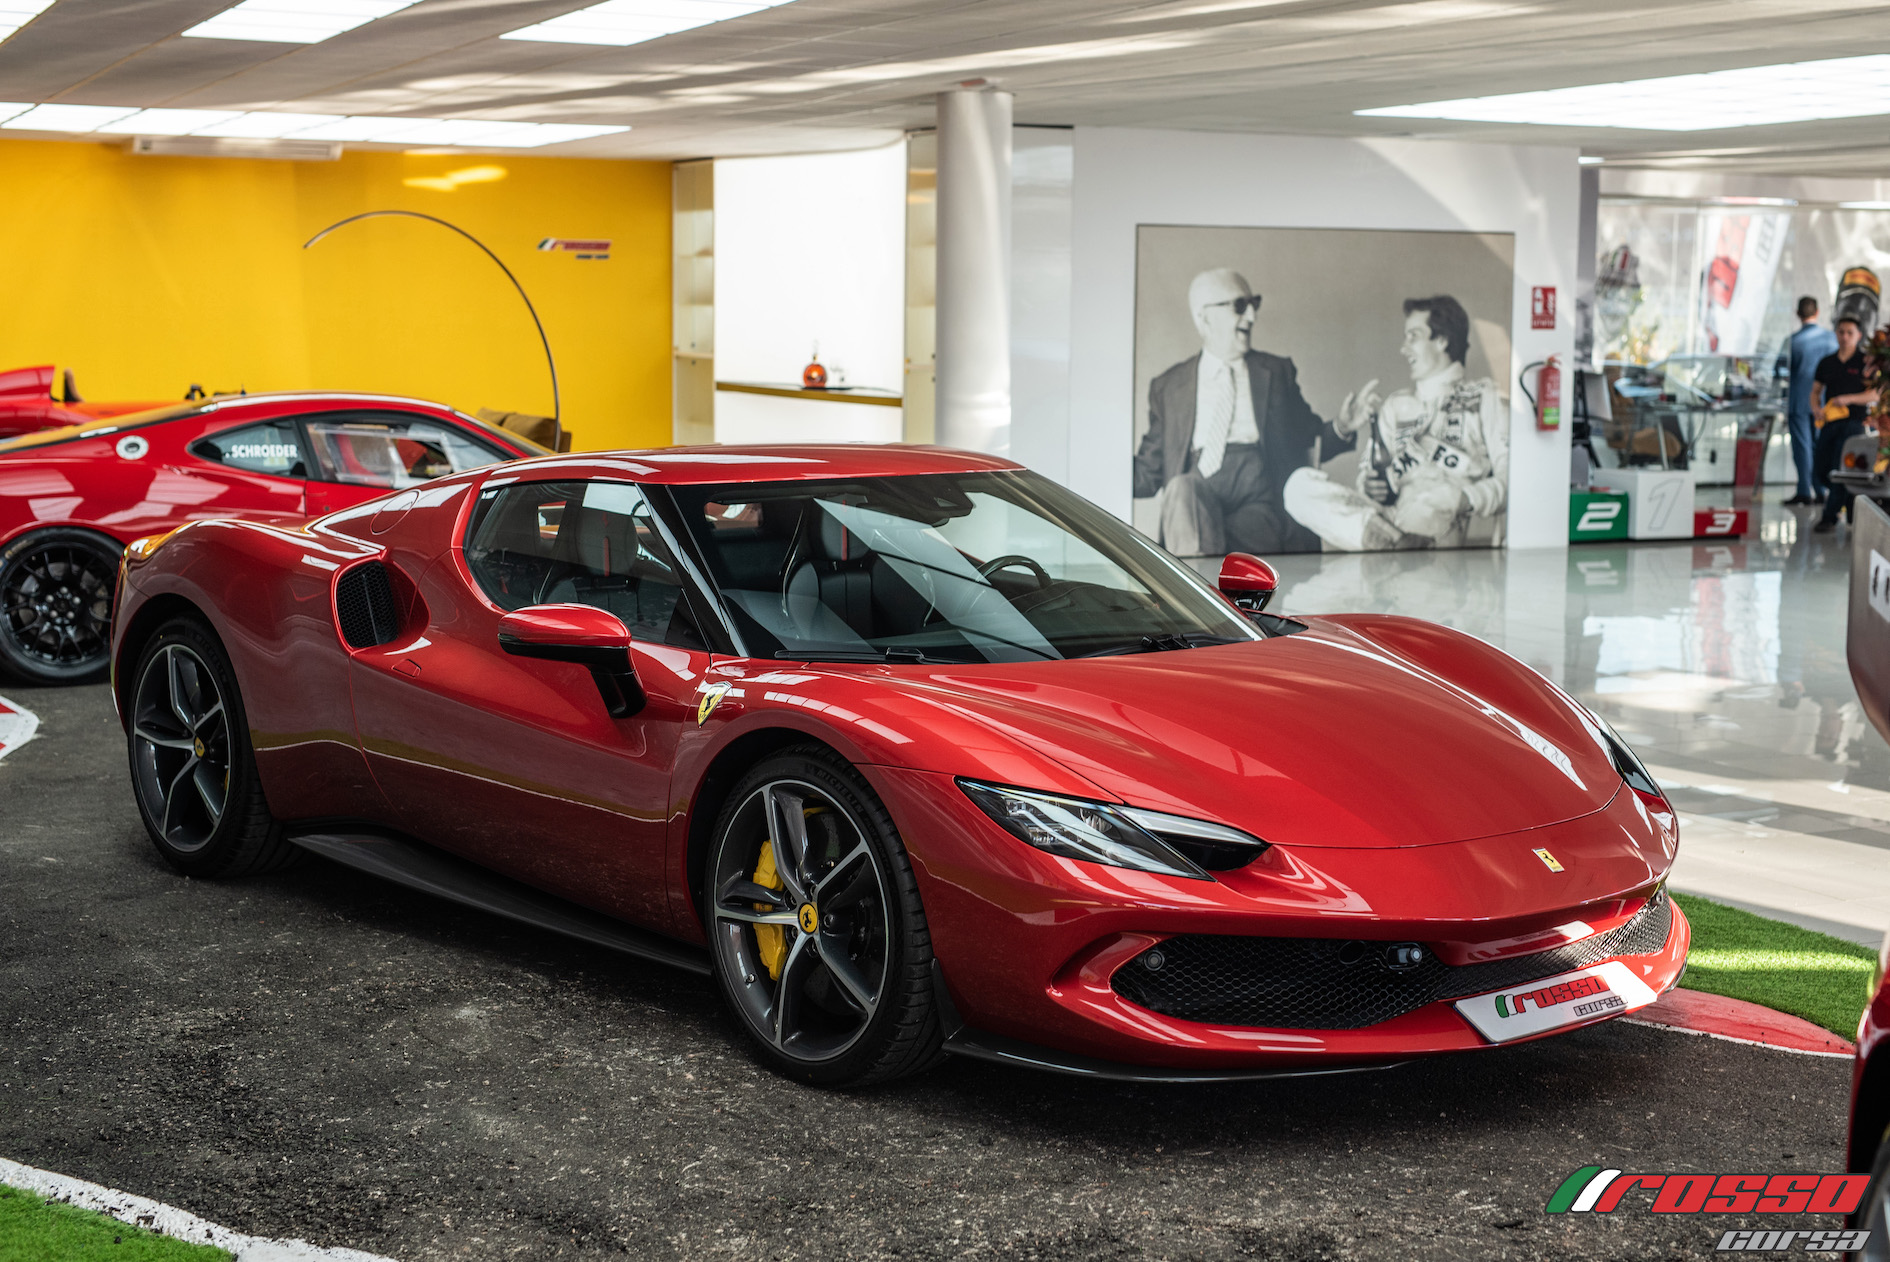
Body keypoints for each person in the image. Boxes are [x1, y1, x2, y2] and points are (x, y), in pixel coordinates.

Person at [1133, 268, 1367, 555]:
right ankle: (1197, 590)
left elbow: (1308, 440)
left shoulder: (1276, 373)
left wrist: (1343, 425)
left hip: (1259, 496)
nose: (1252, 317)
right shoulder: (1168, 386)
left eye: (1253, 304)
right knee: (1181, 490)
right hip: (1197, 492)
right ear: (1203, 318)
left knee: (1230, 544)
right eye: (1239, 306)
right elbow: (1148, 471)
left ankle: (1203, 589)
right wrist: (1092, 465)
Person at [1283, 296, 1507, 550]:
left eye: (1413, 336)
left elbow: (1511, 478)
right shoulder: (1395, 405)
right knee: (1298, 487)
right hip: (1389, 520)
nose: (1404, 348)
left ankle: (1395, 547)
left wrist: (1463, 498)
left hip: (1439, 522)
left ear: (1442, 340)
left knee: (1426, 507)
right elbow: (1368, 479)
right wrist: (1370, 487)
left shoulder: (1484, 397)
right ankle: (1396, 544)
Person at [1810, 315, 1879, 533]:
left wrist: (1848, 399)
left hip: (1854, 424)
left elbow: (1875, 394)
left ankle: (1829, 516)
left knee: (1841, 468)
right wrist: (1815, 408)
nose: (1845, 336)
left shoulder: (1865, 363)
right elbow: (1815, 391)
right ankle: (1847, 500)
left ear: (1858, 336)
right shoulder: (1827, 362)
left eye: (1850, 332)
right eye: (1841, 332)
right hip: (1830, 422)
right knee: (1821, 469)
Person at [1783, 296, 1839, 505]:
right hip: (1824, 402)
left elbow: (1781, 372)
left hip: (1798, 400)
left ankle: (1804, 490)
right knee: (1820, 446)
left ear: (1798, 314)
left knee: (1802, 447)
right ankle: (1821, 489)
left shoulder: (1793, 341)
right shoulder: (1831, 339)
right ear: (1817, 312)